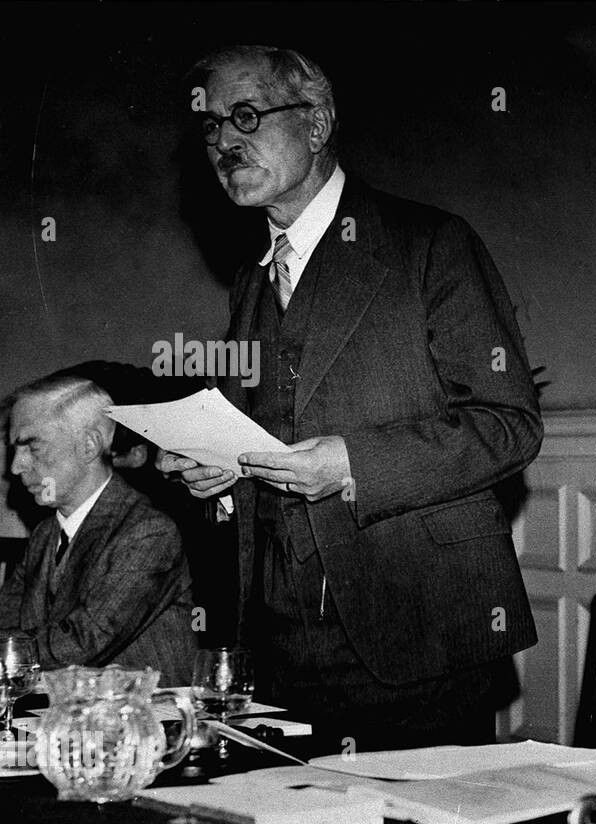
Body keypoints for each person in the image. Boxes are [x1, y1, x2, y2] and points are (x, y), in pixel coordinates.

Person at [158, 46, 542, 750]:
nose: (224, 142)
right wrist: (222, 469)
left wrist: (352, 463)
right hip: (275, 649)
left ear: (317, 121)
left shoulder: (430, 244)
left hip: (417, 640)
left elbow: (509, 424)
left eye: (245, 115)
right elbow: (271, 434)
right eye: (211, 127)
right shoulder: (251, 278)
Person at [0, 376, 195, 685]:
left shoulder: (148, 532)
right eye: (15, 450)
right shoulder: (44, 535)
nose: (16, 467)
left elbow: (84, 641)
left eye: (33, 447)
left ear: (89, 444)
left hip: (147, 723)